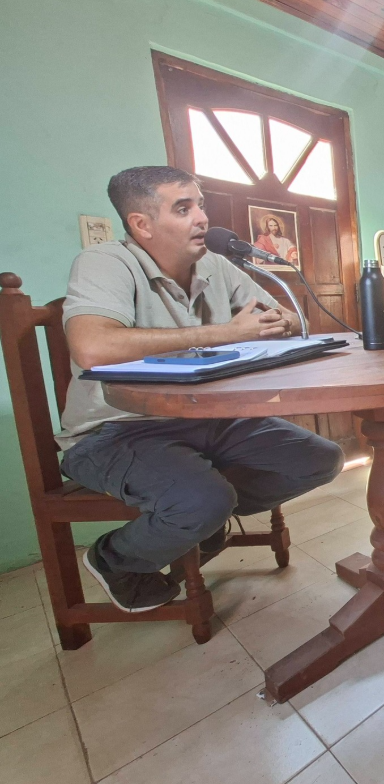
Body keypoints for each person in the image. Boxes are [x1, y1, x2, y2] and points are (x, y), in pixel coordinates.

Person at [58, 166, 344, 613]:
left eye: (201, 205)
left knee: (320, 460)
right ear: (141, 224)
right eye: (183, 208)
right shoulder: (104, 262)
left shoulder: (214, 264)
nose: (202, 218)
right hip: (117, 428)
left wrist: (278, 321)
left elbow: (289, 317)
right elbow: (92, 348)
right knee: (203, 501)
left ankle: (206, 517)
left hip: (209, 418)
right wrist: (226, 333)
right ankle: (115, 559)